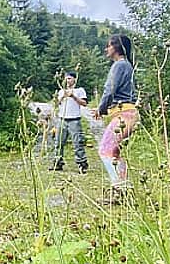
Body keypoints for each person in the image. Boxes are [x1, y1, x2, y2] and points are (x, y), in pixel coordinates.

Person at [96, 33, 138, 199]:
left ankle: (119, 190)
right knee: (114, 152)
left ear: (117, 48)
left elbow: (110, 90)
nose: (106, 48)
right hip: (129, 113)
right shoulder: (127, 66)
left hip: (124, 113)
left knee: (105, 150)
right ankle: (124, 189)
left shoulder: (119, 65)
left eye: (109, 45)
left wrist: (100, 109)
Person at [52, 71, 88, 173]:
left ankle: (82, 164)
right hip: (62, 119)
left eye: (69, 78)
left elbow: (84, 103)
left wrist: (73, 96)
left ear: (74, 79)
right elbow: (56, 104)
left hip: (74, 120)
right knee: (58, 142)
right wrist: (63, 96)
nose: (67, 80)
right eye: (66, 78)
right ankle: (57, 163)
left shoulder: (80, 90)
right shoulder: (61, 91)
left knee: (78, 143)